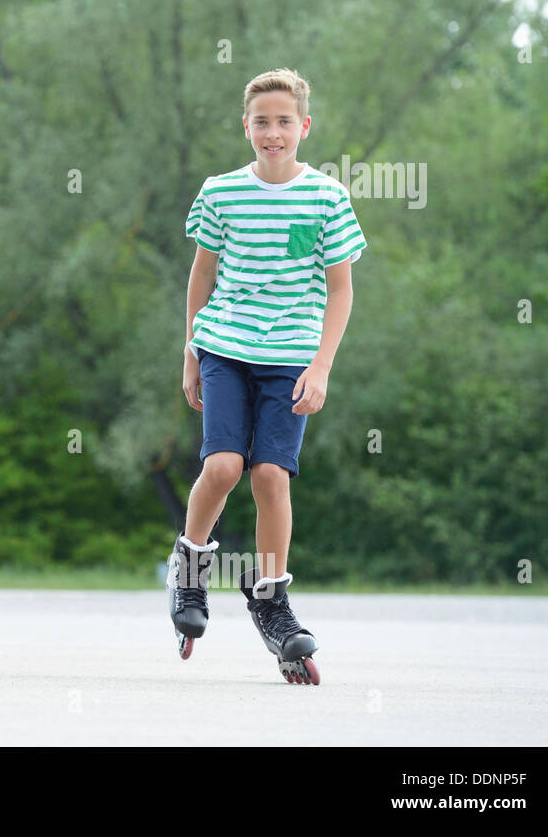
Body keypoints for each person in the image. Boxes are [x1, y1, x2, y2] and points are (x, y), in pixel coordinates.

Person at [167, 69, 366, 684]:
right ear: (246, 127)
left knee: (270, 476)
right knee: (224, 466)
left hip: (292, 357)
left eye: (285, 121)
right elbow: (202, 276)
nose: (272, 132)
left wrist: (322, 366)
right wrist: (191, 349)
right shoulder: (221, 192)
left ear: (304, 127)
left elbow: (340, 291)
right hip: (225, 344)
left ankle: (271, 599)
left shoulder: (325, 197)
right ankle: (191, 569)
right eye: (261, 121)